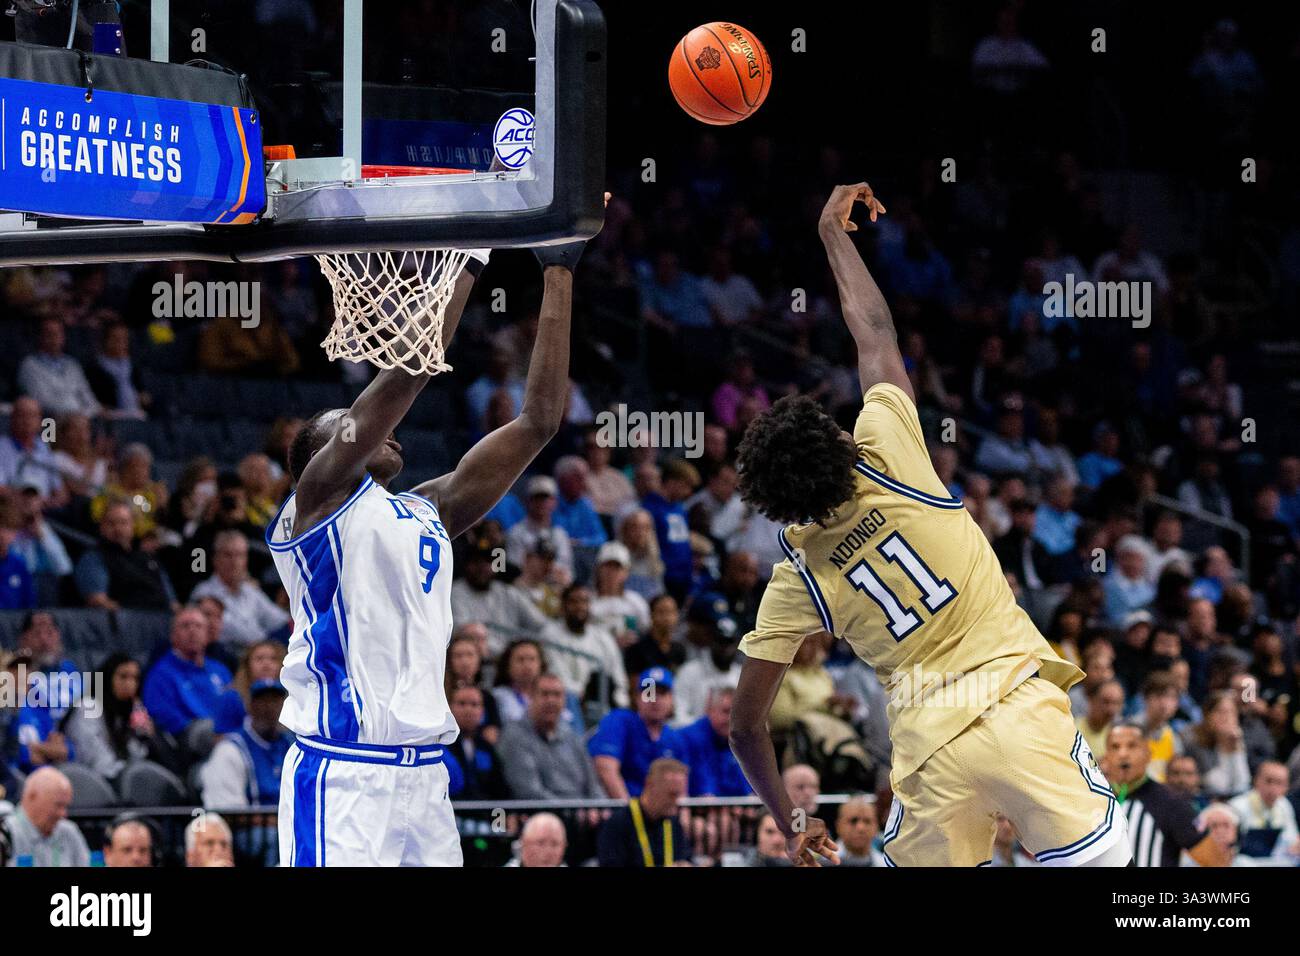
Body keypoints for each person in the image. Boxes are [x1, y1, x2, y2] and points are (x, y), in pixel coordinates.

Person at [729, 184, 1128, 868]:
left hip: (930, 758)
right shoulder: (888, 452)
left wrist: (791, 821)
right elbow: (876, 333)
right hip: (1015, 709)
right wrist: (833, 234)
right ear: (839, 439)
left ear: (779, 507)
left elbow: (744, 728)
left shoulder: (797, 578)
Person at [266, 234, 593, 867]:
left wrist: (558, 267)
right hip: (343, 772)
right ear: (321, 454)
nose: (389, 432)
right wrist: (475, 249)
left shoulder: (427, 510)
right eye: (351, 424)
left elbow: (539, 422)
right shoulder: (318, 501)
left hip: (425, 776)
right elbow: (410, 371)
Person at [1102, 722, 1228, 867]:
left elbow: (1216, 861)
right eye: (1115, 747)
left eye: (1132, 746)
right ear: (1105, 756)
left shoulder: (1171, 803)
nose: (1123, 754)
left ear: (1148, 754)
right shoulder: (1095, 801)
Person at [141, 606, 245, 742]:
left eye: (198, 626)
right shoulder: (160, 674)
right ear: (173, 636)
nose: (192, 631)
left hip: (228, 733)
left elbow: (236, 705)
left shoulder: (220, 670)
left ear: (207, 636)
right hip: (189, 738)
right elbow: (162, 715)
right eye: (185, 626)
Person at [496, 673, 602, 800]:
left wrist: (599, 809)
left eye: (557, 695)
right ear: (531, 697)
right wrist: (575, 811)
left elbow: (593, 786)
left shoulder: (571, 737)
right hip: (541, 813)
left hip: (582, 811)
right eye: (545, 694)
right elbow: (529, 792)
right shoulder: (514, 736)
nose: (551, 701)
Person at [589, 667, 687, 798]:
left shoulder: (675, 738)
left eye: (662, 693)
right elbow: (605, 768)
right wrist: (630, 813)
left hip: (660, 812)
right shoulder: (619, 720)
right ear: (637, 697)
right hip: (622, 810)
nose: (655, 699)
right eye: (649, 692)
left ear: (671, 699)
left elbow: (682, 789)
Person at [199, 680, 295, 808]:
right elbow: (229, 813)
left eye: (275, 701)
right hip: (251, 827)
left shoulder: (293, 746)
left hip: (292, 825)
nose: (270, 708)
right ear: (249, 706)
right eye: (263, 701)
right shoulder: (230, 749)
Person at [190, 530, 290, 647]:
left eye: (240, 555)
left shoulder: (250, 590)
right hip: (226, 655)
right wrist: (266, 642)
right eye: (228, 555)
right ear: (215, 559)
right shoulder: (204, 593)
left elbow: (280, 620)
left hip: (257, 654)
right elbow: (233, 632)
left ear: (246, 560)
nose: (234, 562)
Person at [596, 757, 692, 867]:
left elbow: (684, 857)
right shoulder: (617, 823)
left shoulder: (673, 822)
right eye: (671, 794)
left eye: (679, 795)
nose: (676, 801)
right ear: (650, 785)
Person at [3, 766, 91, 867]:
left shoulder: (69, 831)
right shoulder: (5, 833)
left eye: (66, 806)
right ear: (32, 797)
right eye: (58, 805)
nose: (63, 814)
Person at [678, 687, 752, 797]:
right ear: (710, 710)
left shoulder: (741, 740)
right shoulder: (691, 738)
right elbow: (705, 793)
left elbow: (747, 790)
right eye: (726, 711)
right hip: (698, 809)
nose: (732, 719)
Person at [1226, 761, 1300, 864]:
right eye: (1268, 781)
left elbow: (1291, 840)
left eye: (1279, 783)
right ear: (1256, 781)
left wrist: (1295, 846)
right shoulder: (1237, 806)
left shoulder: (1284, 805)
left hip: (1276, 862)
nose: (1273, 788)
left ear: (1287, 787)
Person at [836, 795, 887, 866]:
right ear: (838, 826)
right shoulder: (819, 862)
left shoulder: (885, 864)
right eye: (853, 821)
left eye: (867, 821)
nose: (861, 828)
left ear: (877, 827)